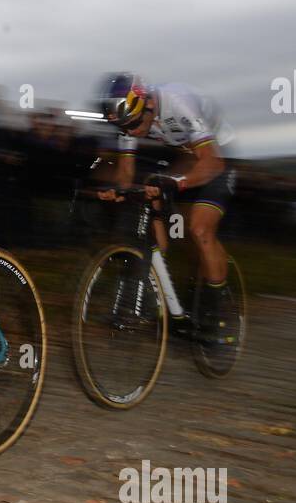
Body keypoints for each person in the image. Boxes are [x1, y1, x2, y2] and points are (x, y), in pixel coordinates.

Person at [95, 73, 237, 338]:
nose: (132, 132)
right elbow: (126, 173)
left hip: (217, 157)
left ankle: (215, 313)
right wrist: (115, 191)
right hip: (187, 155)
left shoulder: (177, 102)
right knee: (151, 187)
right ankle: (163, 287)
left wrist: (180, 183)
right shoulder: (130, 119)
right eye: (124, 128)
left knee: (199, 229)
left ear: (147, 103)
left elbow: (211, 161)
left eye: (135, 124)